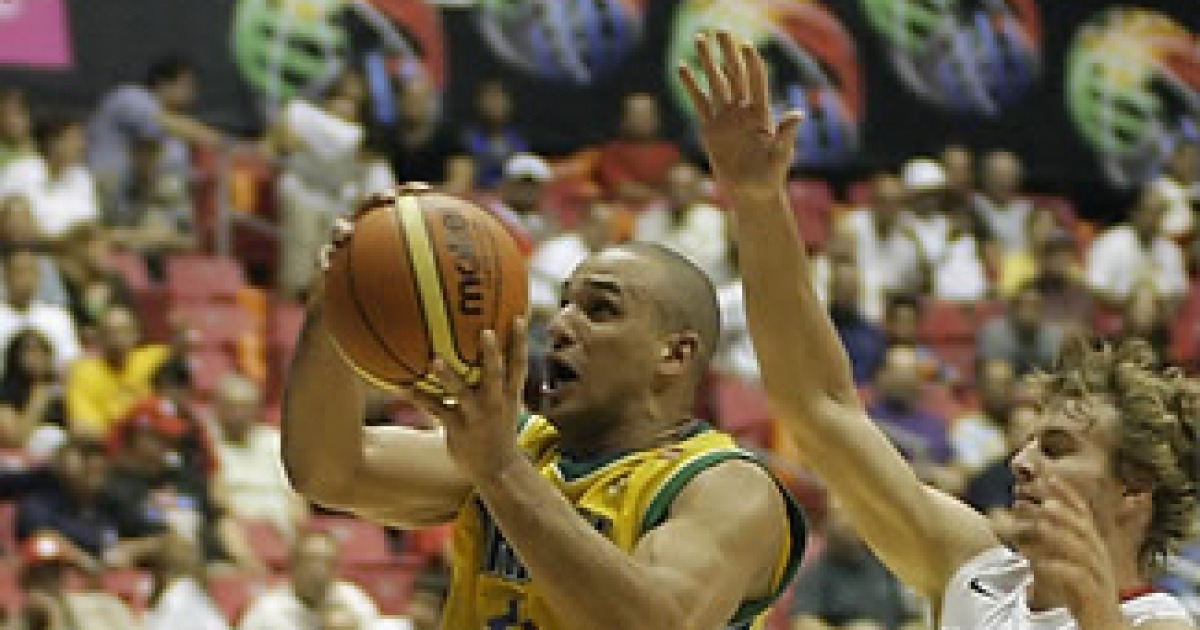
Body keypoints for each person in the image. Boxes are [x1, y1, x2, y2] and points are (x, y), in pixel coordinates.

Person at [681, 29, 1193, 627]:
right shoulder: (972, 570)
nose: (1021, 462)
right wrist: (758, 201)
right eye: (1028, 442)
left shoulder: (1159, 621)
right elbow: (818, 405)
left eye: (1056, 449)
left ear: (1134, 487)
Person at [282, 188, 806, 628]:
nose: (558, 327)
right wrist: (340, 298)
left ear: (674, 353)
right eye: (563, 304)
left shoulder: (726, 487)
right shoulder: (515, 450)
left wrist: (500, 470)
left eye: (600, 310)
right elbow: (329, 468)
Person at [87, 55, 222, 217]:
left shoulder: (174, 128)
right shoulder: (131, 96)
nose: (192, 94)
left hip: (140, 201)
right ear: (162, 83)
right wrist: (229, 143)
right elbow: (163, 123)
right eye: (186, 86)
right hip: (105, 193)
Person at [16, 439, 167, 567]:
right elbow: (41, 538)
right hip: (62, 583)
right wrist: (86, 561)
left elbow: (160, 535)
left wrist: (133, 549)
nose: (94, 464)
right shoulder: (41, 502)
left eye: (98, 456)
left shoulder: (109, 503)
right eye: (85, 456)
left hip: (108, 585)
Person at [791, 502, 918, 630]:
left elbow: (913, 617)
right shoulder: (816, 575)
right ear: (827, 524)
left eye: (852, 518)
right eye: (839, 517)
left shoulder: (884, 565)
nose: (846, 524)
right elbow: (803, 624)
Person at [208, 373, 304, 538]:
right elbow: (217, 496)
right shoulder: (207, 442)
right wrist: (252, 526)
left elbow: (294, 495)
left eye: (245, 406)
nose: (238, 414)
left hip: (281, 519)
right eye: (232, 406)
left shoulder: (274, 440)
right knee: (226, 527)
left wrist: (299, 524)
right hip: (238, 521)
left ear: (257, 408)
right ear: (218, 407)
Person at [238, 529, 379, 630]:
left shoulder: (353, 599)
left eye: (327, 562)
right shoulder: (266, 613)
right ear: (293, 565)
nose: (319, 571)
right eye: (311, 561)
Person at [65, 304, 170, 437]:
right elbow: (82, 426)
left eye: (123, 330)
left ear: (136, 334)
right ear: (99, 337)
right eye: (110, 332)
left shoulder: (157, 358)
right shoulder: (83, 372)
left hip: (156, 439)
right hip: (110, 447)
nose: (117, 338)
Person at [9, 530, 139, 630]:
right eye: (38, 573)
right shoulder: (19, 622)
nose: (47, 579)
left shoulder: (104, 605)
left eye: (54, 570)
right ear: (25, 580)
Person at [1086, 185, 1189, 307]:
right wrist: (1134, 306)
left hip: (1160, 319)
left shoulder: (1171, 250)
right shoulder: (1109, 243)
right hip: (1116, 317)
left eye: (1160, 213)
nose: (1154, 219)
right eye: (1149, 212)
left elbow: (1179, 293)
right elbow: (1095, 289)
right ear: (1134, 213)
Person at [632, 161, 732, 284]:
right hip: (660, 285)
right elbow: (641, 258)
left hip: (709, 285)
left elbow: (715, 260)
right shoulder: (649, 219)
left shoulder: (713, 218)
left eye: (685, 188)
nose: (679, 194)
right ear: (664, 190)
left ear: (697, 190)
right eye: (673, 187)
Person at [0, 247, 81, 369]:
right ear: (5, 276)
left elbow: (71, 361)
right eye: (19, 272)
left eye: (31, 271)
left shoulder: (59, 317)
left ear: (39, 277)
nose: (25, 279)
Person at [596, 92, 681, 204]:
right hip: (627, 211)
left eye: (649, 114)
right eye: (638, 115)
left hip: (669, 208)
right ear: (623, 120)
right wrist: (662, 200)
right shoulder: (612, 152)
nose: (645, 120)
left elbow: (681, 180)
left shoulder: (669, 150)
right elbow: (623, 189)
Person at [976, 283, 1064, 377]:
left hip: (1042, 383)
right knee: (997, 373)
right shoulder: (995, 332)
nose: (1028, 312)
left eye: (1035, 307)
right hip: (1007, 383)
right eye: (1023, 306)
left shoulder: (1054, 337)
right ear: (1012, 310)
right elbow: (987, 370)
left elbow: (1058, 372)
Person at [0, 330, 66, 451]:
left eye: (42, 351)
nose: (36, 357)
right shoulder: (7, 392)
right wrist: (39, 394)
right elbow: (14, 440)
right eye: (28, 351)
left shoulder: (62, 388)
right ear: (15, 357)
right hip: (20, 459)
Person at [463, 78, 530, 189]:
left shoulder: (519, 142)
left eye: (499, 98)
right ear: (478, 103)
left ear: (510, 103)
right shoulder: (466, 140)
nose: (494, 104)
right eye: (489, 98)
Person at [972, 150, 1033, 254]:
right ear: (985, 178)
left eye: (1009, 175)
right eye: (998, 176)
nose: (1004, 182)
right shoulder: (973, 207)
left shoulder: (1028, 209)